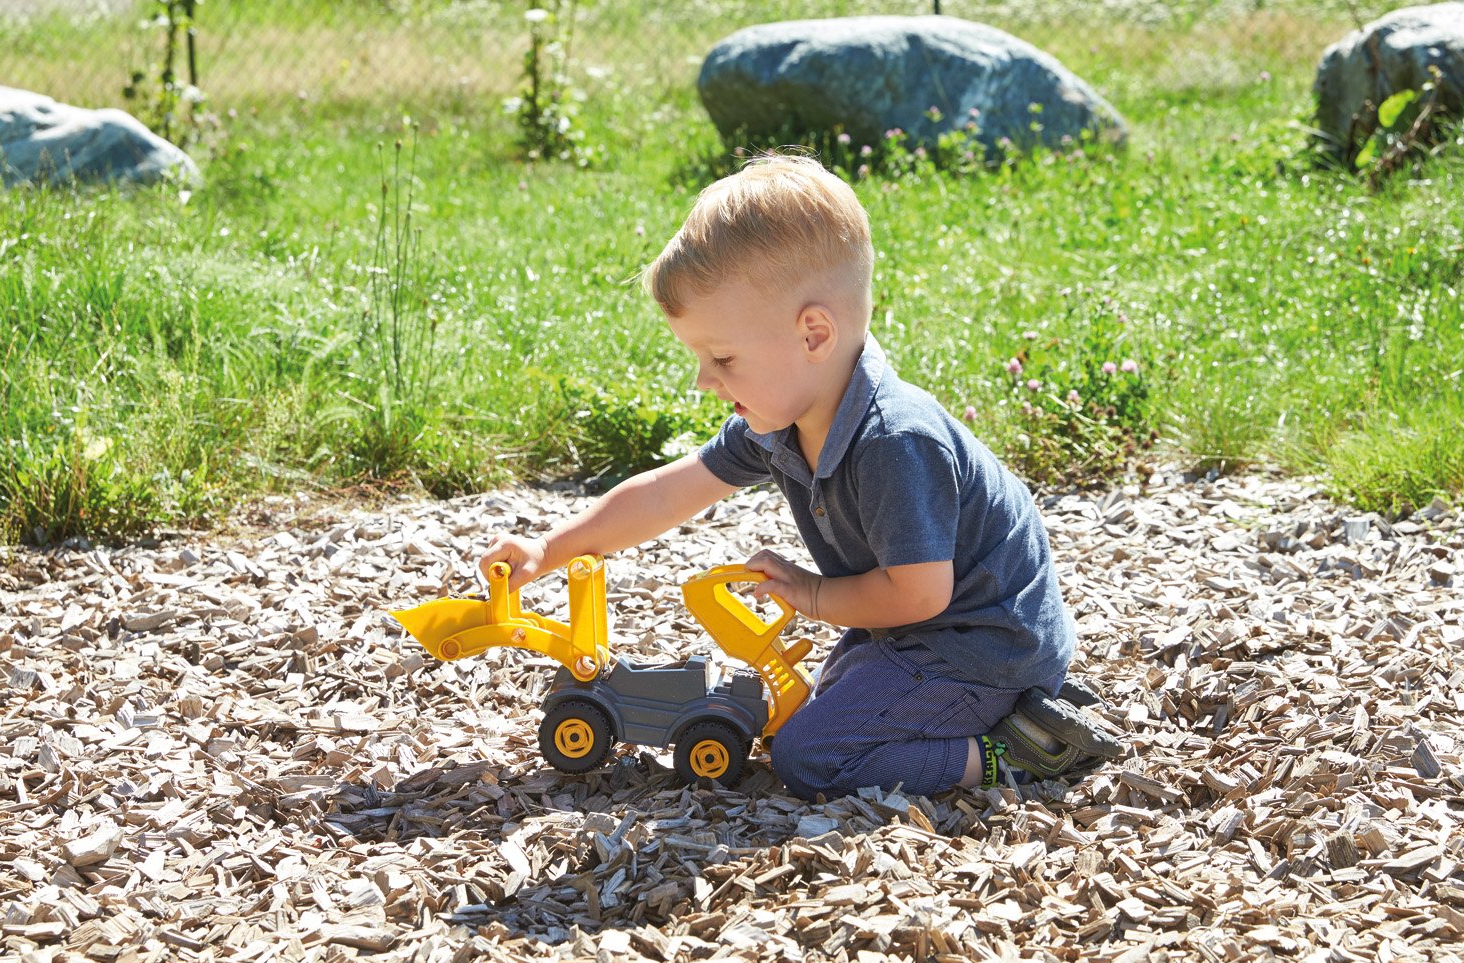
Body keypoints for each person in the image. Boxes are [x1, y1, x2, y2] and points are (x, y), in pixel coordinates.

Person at [479, 152, 1117, 799]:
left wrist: (811, 596)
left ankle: (1018, 750)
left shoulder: (895, 443)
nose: (704, 378)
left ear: (814, 333)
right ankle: (993, 715)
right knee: (795, 714)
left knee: (809, 756)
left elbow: (918, 593)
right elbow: (672, 490)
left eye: (721, 356)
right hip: (918, 631)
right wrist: (547, 550)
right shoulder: (781, 421)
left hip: (982, 647)